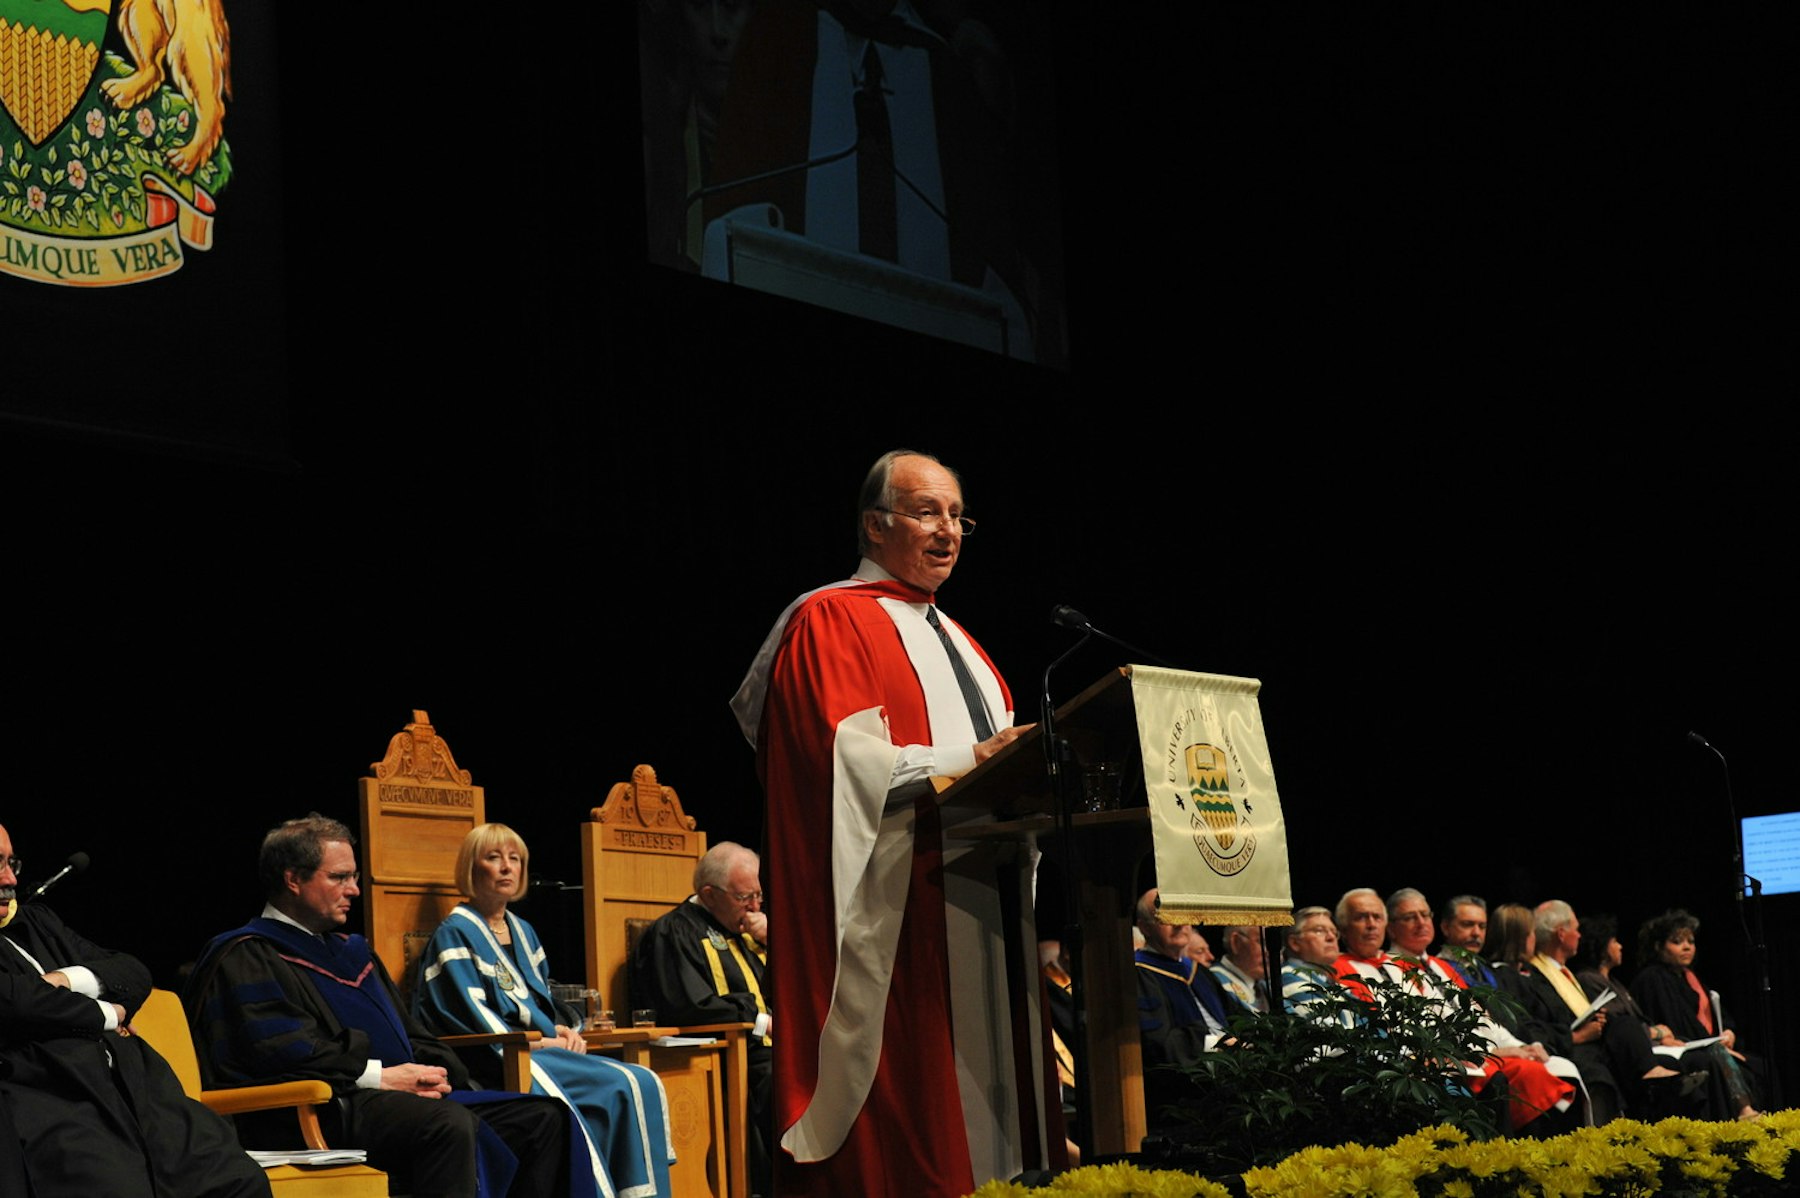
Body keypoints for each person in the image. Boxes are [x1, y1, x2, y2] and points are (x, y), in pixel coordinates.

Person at [729, 449, 1051, 1197]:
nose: (948, 531)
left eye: (957, 516)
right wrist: (972, 757)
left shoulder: (968, 646)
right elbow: (837, 760)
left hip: (983, 898)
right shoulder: (827, 620)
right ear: (876, 526)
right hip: (898, 909)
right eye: (926, 512)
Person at [185, 814, 581, 1198]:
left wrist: (437, 1073)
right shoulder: (247, 955)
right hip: (320, 1107)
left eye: (354, 877)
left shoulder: (354, 954)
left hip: (395, 1102)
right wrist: (382, 1076)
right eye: (339, 877)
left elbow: (412, 1034)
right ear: (293, 880)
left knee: (542, 1119)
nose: (354, 889)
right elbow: (279, 1051)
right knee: (448, 1125)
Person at [0, 822, 271, 1198]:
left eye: (12, 862)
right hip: (59, 1099)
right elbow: (17, 1001)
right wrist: (109, 1015)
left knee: (239, 1182)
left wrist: (65, 980)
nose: (10, 877)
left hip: (143, 1091)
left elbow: (131, 971)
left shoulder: (38, 921)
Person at [413, 823, 676, 1197]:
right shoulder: (454, 933)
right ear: (471, 869)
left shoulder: (523, 930)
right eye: (493, 858)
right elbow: (467, 1014)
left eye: (514, 859)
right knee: (620, 1084)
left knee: (642, 1080)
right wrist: (543, 1043)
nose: (506, 867)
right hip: (500, 1058)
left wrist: (566, 1029)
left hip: (543, 1049)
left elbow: (543, 1000)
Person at [1332, 888, 1573, 1132]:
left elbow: (1470, 1017)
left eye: (1425, 915)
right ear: (1342, 927)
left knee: (1554, 1071)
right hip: (1409, 1065)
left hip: (1459, 1054)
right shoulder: (1341, 968)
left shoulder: (1417, 967)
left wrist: (1517, 1046)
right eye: (1362, 917)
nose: (1371, 925)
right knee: (1507, 1079)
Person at [629, 841, 771, 1196]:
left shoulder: (753, 932)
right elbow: (687, 1006)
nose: (754, 907)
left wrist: (774, 940)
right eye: (744, 898)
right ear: (709, 894)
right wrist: (762, 1023)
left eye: (759, 896)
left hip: (767, 1051)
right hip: (728, 1057)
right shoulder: (675, 932)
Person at [1630, 909, 1761, 1118]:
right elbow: (1673, 1022)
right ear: (1658, 946)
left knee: (1756, 1063)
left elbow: (1718, 1014)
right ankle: (1744, 1110)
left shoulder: (1691, 978)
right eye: (1677, 941)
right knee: (1716, 1056)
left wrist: (1728, 1032)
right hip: (1678, 1047)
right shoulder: (1652, 979)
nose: (1687, 947)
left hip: (1706, 1043)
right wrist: (1713, 1043)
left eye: (1690, 941)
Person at [1132, 889, 1229, 1120]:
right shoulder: (1138, 974)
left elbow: (1236, 1017)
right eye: (1166, 916)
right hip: (1185, 1100)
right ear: (1144, 927)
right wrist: (1218, 1043)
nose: (1179, 923)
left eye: (1183, 914)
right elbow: (1159, 1046)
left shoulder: (1199, 972)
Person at [1278, 906, 1345, 1021]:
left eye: (1334, 932)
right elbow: (1328, 1031)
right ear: (1294, 943)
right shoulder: (1289, 977)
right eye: (1319, 931)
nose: (1331, 937)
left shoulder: (1329, 981)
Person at [1209, 925, 1270, 1015]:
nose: (1269, 953)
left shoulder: (1263, 985)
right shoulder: (1216, 981)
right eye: (1263, 943)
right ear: (1236, 943)